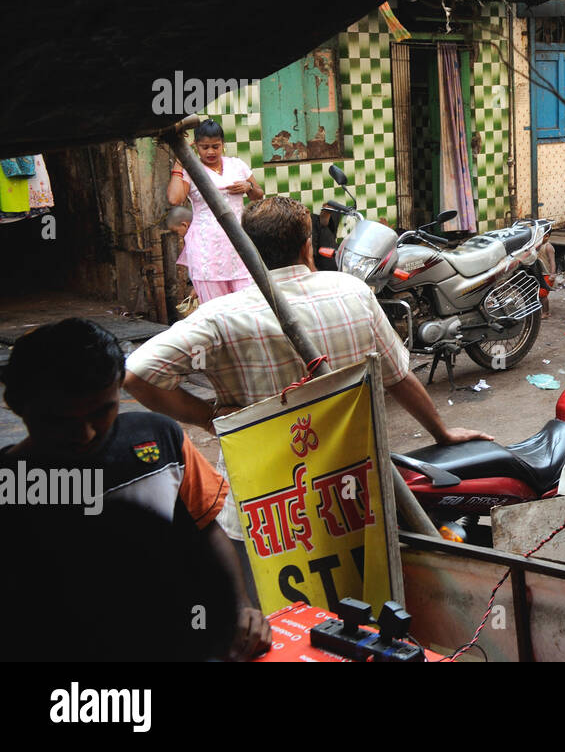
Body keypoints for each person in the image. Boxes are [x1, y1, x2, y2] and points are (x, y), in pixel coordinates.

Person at [0, 318, 270, 661]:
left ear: (118, 389)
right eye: (59, 420)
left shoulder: (159, 440)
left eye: (102, 411)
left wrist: (239, 607)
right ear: (18, 405)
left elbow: (204, 531)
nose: (85, 434)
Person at [124, 196, 490, 447]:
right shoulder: (354, 293)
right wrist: (442, 433)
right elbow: (399, 378)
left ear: (247, 252)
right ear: (306, 246)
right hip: (354, 478)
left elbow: (136, 374)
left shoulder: (220, 317)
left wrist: (208, 416)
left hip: (266, 501)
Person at [168, 119, 264, 303]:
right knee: (216, 309)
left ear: (223, 144)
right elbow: (174, 199)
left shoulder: (237, 165)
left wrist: (248, 186)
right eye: (204, 147)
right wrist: (180, 162)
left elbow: (258, 195)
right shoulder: (191, 170)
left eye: (215, 146)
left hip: (239, 244)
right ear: (195, 146)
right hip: (206, 250)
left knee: (248, 304)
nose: (211, 152)